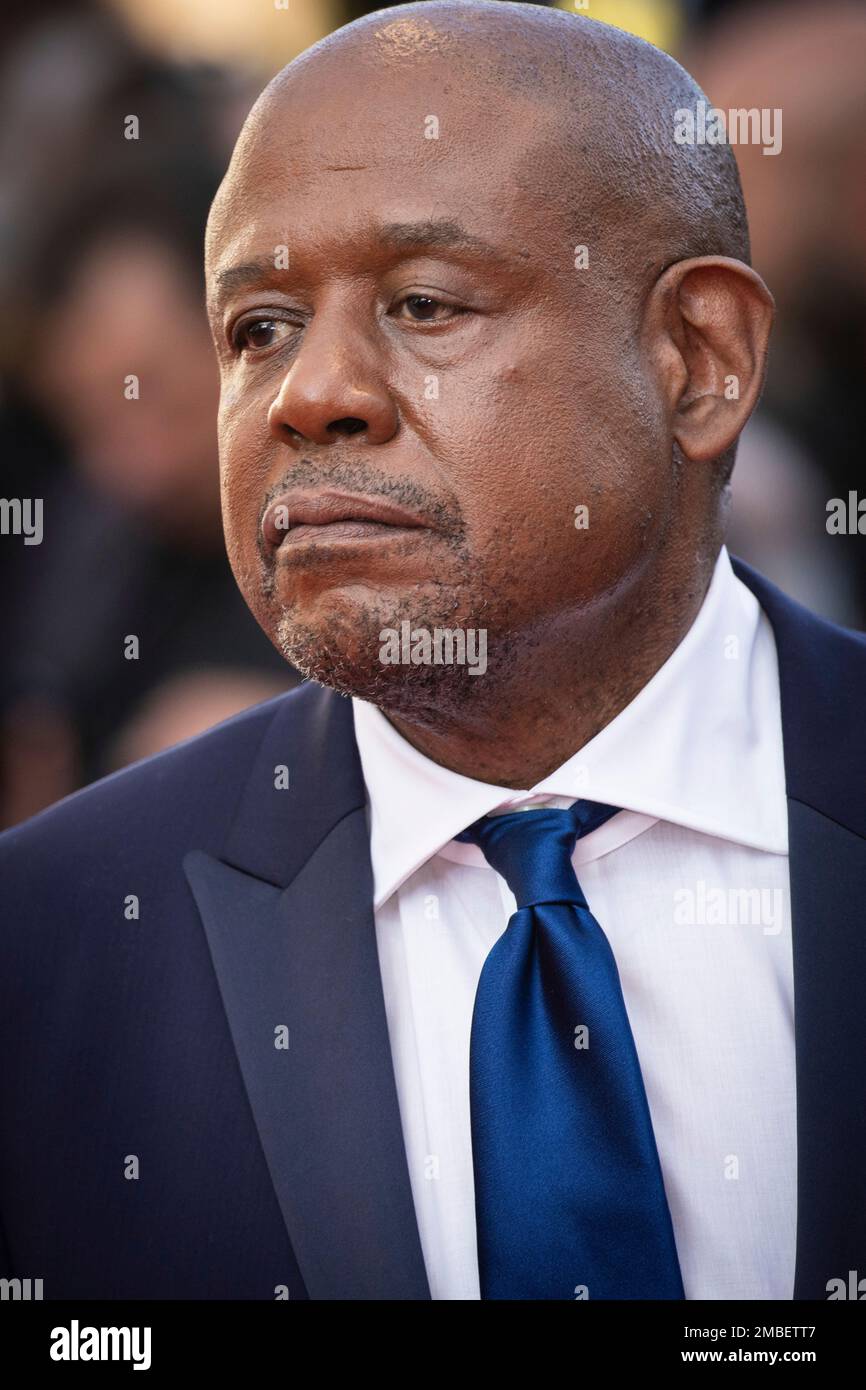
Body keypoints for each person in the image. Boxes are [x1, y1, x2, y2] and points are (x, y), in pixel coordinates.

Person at [1, 0, 863, 1301]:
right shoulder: (50, 935)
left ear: (698, 358)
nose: (310, 394)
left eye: (423, 304)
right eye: (259, 327)